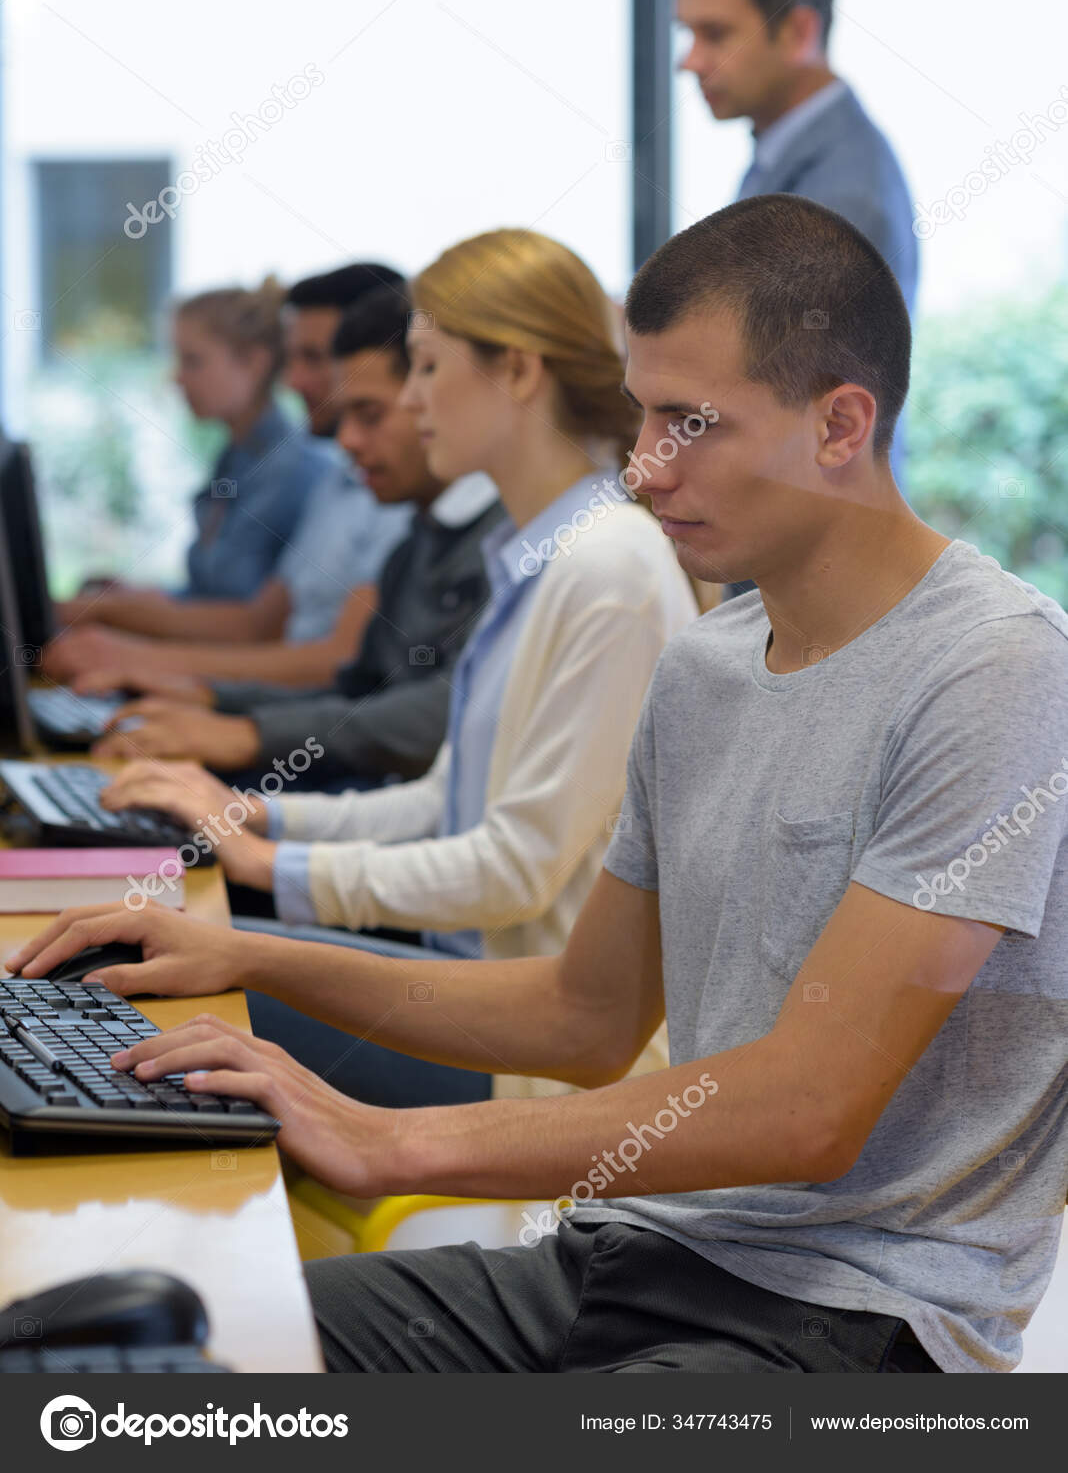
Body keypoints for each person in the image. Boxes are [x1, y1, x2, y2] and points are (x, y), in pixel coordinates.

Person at [16, 196, 1065, 1375]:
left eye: (689, 423)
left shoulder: (1001, 668)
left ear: (841, 423)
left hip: (853, 1323)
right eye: (643, 415)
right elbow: (587, 1013)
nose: (644, 466)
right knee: (151, 1364)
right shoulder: (709, 662)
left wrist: (392, 1139)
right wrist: (253, 957)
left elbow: (811, 1106)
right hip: (634, 1254)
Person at [39, 228, 697, 1112]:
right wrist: (253, 813)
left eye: (426, 367)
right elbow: (442, 799)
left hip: (526, 1046)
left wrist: (273, 866)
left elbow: (514, 868)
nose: (412, 398)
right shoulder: (540, 555)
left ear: (517, 369)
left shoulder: (607, 570)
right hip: (468, 981)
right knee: (144, 967)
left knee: (151, 985)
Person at [86, 288, 506, 785]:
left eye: (369, 415)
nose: (345, 439)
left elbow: (441, 717)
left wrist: (246, 734)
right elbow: (357, 690)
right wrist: (215, 700)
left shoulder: (500, 540)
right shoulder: (416, 534)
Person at [677, 0, 916, 598]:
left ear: (801, 31)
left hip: (810, 560)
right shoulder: (786, 156)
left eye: (714, 34)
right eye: (688, 33)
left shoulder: (844, 196)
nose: (690, 59)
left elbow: (779, 401)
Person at [47, 267, 413, 668]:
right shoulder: (333, 479)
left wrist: (124, 636)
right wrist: (128, 612)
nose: (293, 381)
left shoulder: (307, 471)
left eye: (193, 360)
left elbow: (285, 641)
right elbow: (263, 619)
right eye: (293, 358)